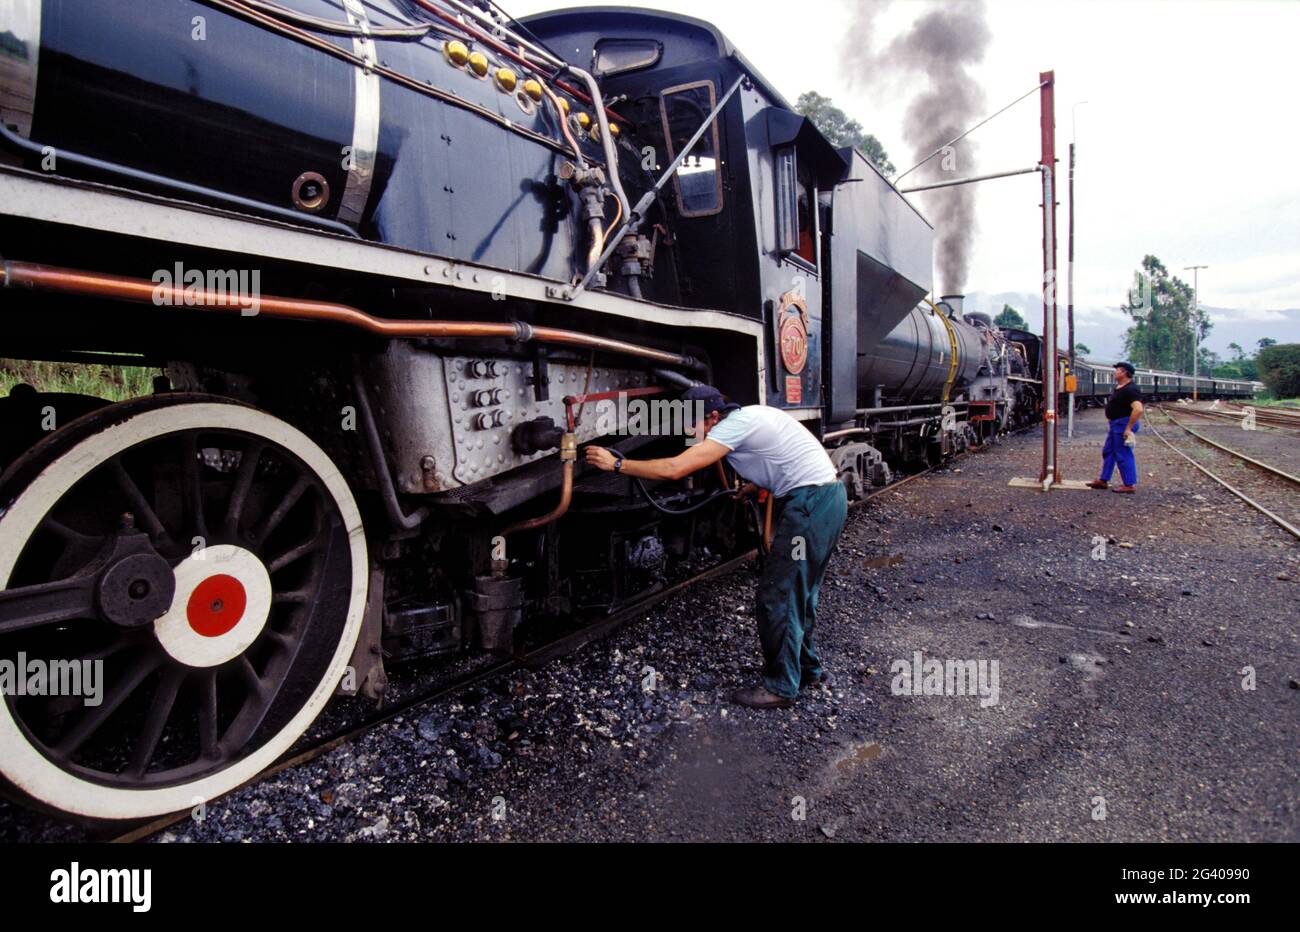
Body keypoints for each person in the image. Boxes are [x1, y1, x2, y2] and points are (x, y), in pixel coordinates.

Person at [583, 385, 848, 709]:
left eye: (690, 421)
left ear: (711, 416)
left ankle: (781, 686)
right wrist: (755, 486)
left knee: (779, 593)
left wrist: (617, 465)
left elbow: (675, 468)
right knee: (800, 591)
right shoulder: (750, 416)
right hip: (826, 501)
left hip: (809, 508)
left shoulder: (732, 426)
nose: (687, 430)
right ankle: (807, 670)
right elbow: (783, 458)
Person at [1087, 362, 1144, 493]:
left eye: (1117, 370)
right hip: (1116, 424)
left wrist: (1128, 428)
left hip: (1123, 424)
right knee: (1109, 451)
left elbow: (1138, 409)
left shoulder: (1131, 389)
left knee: (1123, 453)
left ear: (1124, 372)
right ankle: (1103, 480)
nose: (1115, 373)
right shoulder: (1120, 387)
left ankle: (1129, 484)